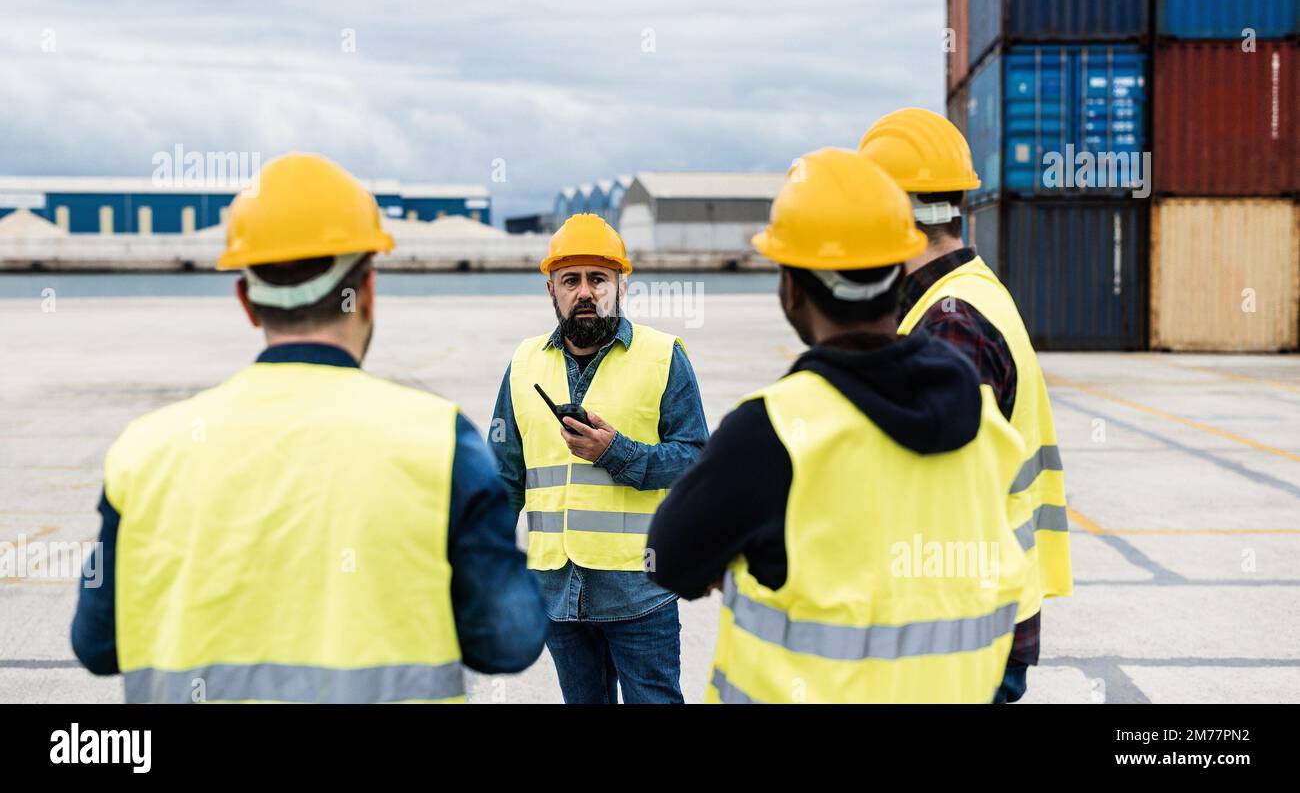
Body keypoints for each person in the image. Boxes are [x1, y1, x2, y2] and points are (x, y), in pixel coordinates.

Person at [71, 152, 546, 702]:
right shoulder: (441, 444)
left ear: (247, 302)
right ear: (366, 291)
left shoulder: (146, 450)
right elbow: (509, 639)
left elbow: (96, 644)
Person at [647, 148, 1027, 703]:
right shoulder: (981, 416)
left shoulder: (773, 430)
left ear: (793, 289)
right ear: (902, 272)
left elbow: (670, 559)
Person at [860, 107, 1073, 703]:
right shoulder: (969, 293)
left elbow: (933, 487)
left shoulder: (950, 326)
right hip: (983, 613)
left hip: (964, 630)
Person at [488, 213, 708, 703]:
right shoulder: (523, 364)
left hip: (640, 594)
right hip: (556, 595)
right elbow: (503, 478)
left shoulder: (663, 356)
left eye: (598, 279)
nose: (585, 292)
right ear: (552, 290)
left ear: (619, 286)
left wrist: (618, 453)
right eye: (571, 280)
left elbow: (696, 460)